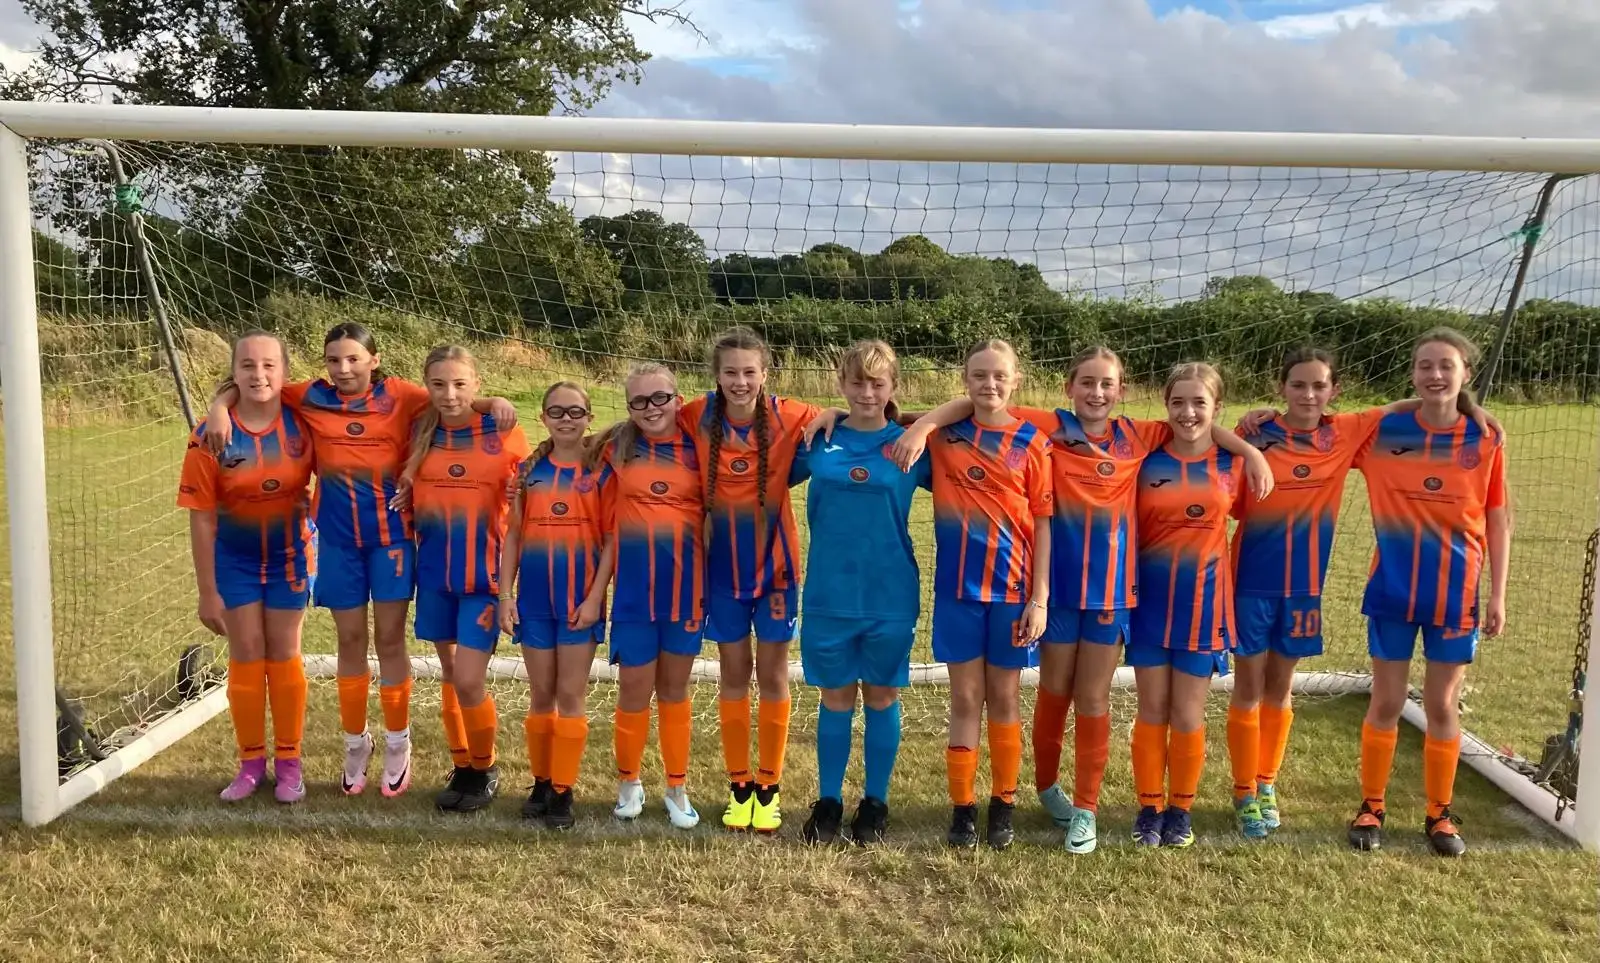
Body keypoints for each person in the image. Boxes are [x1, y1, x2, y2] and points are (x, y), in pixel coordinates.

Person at [887, 347, 1268, 854]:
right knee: (1052, 692)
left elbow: (1199, 425)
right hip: (1056, 592)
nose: (1096, 393)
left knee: (1092, 699)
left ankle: (1086, 809)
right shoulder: (1049, 427)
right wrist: (923, 423)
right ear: (1069, 387)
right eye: (1086, 383)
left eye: (1106, 384)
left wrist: (1250, 452)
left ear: (1122, 391)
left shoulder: (1141, 434)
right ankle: (1046, 788)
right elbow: (980, 404)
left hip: (1112, 594)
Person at [205, 322, 516, 798]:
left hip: (391, 541)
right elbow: (257, 384)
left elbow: (451, 397)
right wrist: (218, 407)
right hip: (337, 542)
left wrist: (491, 402)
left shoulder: (403, 396)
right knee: (349, 639)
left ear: (375, 360)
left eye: (354, 358)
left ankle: (397, 743)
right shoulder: (311, 396)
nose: (344, 368)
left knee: (389, 639)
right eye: (334, 360)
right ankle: (356, 743)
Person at [1227, 348, 1501, 839]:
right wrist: (1248, 431)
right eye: (1297, 385)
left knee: (1281, 688)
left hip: (1305, 588)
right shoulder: (1255, 434)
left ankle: (1266, 784)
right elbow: (1215, 464)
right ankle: (1244, 791)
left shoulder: (1346, 431)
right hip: (1249, 581)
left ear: (1335, 391)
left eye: (1319, 386)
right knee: (1248, 687)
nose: (1308, 395)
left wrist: (1469, 406)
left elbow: (1402, 406)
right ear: (1280, 387)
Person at [1346, 328, 1511, 857]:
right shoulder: (1383, 431)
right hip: (1393, 590)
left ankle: (1439, 814)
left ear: (1466, 373)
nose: (1435, 375)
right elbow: (1324, 428)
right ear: (1413, 374)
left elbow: (1498, 518)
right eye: (1424, 366)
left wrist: (1498, 595)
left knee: (1442, 703)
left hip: (1455, 595)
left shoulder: (1485, 438)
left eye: (1446, 366)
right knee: (1387, 700)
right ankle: (1371, 806)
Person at [892, 339, 1052, 849]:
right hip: (957, 592)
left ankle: (1003, 803)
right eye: (979, 375)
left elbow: (1043, 523)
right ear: (965, 381)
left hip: (1012, 594)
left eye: (1000, 376)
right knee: (964, 698)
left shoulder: (1033, 443)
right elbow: (886, 418)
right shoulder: (945, 437)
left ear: (1016, 380)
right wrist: (922, 425)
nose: (990, 384)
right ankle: (963, 808)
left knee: (1003, 698)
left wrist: (1040, 598)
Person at [789, 341, 931, 845]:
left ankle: (875, 803)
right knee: (835, 696)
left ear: (893, 387)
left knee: (882, 694)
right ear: (841, 384)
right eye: (857, 382)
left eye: (878, 383)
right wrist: (826, 414)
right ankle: (828, 802)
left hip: (889, 594)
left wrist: (925, 424)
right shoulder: (818, 439)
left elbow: (976, 411)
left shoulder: (913, 445)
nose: (867, 392)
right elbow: (764, 475)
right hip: (829, 593)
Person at [681, 328, 820, 834]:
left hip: (776, 569)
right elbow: (641, 420)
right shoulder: (695, 415)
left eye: (749, 372)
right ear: (716, 376)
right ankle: (739, 786)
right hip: (721, 569)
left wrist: (831, 415)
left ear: (766, 373)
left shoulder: (791, 414)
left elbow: (844, 416)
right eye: (730, 372)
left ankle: (770, 786)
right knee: (733, 673)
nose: (740, 381)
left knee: (774, 674)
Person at [178, 331, 314, 803]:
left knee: (285, 653)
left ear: (285, 372)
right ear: (233, 371)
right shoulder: (209, 434)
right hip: (234, 562)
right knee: (247, 653)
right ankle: (251, 763)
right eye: (248, 365)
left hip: (291, 557)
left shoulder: (304, 420)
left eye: (269, 365)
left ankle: (290, 763)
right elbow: (201, 518)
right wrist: (207, 591)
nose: (259, 374)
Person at [401, 345, 529, 812]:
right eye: (438, 384)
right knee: (451, 676)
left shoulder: (504, 429)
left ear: (477, 384)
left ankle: (485, 766)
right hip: (436, 575)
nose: (449, 394)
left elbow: (529, 495)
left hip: (485, 579)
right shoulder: (419, 430)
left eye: (460, 384)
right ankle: (463, 765)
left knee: (470, 679)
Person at [1127, 363, 1246, 850]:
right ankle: (1149, 807)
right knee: (1152, 708)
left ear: (1217, 407)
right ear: (1166, 405)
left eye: (1200, 402)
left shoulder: (1234, 464)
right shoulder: (1145, 460)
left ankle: (1181, 809)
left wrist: (1252, 451)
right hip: (1150, 603)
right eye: (1178, 402)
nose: (1188, 412)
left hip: (1204, 605)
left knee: (1188, 712)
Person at [591, 363, 706, 830]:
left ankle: (677, 787)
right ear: (628, 407)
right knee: (634, 689)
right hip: (635, 595)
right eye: (639, 401)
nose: (651, 408)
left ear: (678, 399)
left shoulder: (699, 445)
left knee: (675, 690)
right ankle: (629, 782)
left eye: (660, 397)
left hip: (686, 591)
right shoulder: (614, 449)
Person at [498, 382, 612, 829]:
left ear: (589, 419)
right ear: (543, 418)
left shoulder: (601, 472)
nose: (567, 419)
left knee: (570, 694)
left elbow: (611, 541)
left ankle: (564, 788)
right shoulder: (530, 473)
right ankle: (542, 781)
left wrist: (594, 598)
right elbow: (513, 536)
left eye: (576, 411)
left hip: (579, 602)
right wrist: (506, 596)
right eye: (557, 412)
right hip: (536, 601)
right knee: (541, 693)